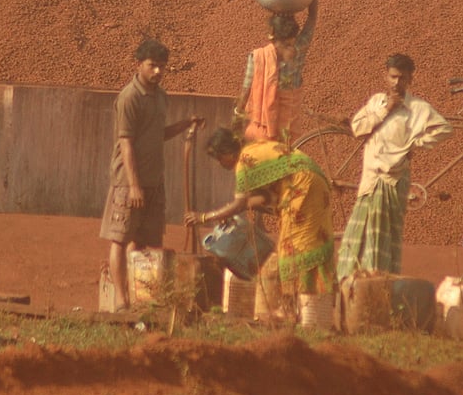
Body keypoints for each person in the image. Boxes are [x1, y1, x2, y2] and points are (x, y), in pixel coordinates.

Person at [187, 128, 335, 322]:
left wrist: (205, 217)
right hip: (314, 183)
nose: (221, 164)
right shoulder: (254, 149)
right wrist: (231, 213)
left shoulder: (244, 162)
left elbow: (240, 203)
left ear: (227, 153)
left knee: (293, 246)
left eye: (219, 159)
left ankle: (290, 309)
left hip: (303, 187)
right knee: (309, 242)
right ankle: (313, 309)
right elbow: (265, 197)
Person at [99, 39, 204, 310]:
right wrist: (134, 186)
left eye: (162, 67)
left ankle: (141, 299)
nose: (158, 72)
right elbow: (126, 143)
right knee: (120, 239)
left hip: (155, 182)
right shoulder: (129, 97)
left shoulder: (161, 97)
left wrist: (185, 124)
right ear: (139, 65)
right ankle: (121, 301)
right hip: (128, 183)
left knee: (147, 243)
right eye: (152, 66)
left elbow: (159, 134)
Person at [336, 54, 453, 280]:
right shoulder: (376, 102)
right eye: (392, 77)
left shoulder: (418, 108)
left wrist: (415, 144)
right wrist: (385, 110)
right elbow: (357, 127)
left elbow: (445, 129)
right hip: (370, 180)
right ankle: (348, 285)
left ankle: (378, 286)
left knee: (383, 238)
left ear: (410, 78)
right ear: (385, 76)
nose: (396, 82)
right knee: (356, 234)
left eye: (401, 77)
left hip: (393, 180)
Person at [234, 0, 318, 145]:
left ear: (271, 33)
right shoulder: (299, 49)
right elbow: (312, 19)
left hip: (261, 131)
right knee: (288, 160)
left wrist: (237, 114)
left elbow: (246, 90)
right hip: (290, 128)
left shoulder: (257, 57)